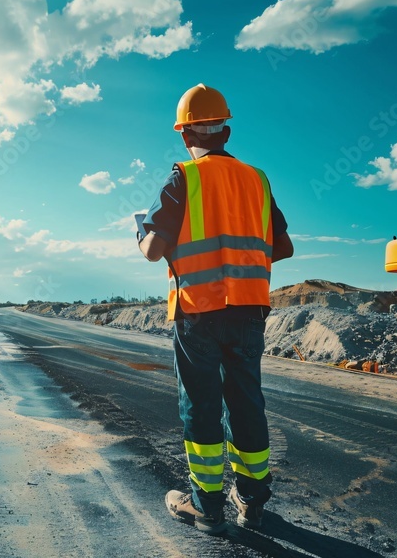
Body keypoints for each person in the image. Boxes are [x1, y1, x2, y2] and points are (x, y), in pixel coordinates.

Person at [138, 83, 293, 534]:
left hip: (198, 313)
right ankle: (251, 502)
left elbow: (152, 251)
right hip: (248, 311)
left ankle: (206, 506)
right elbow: (282, 247)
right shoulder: (258, 180)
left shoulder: (182, 177)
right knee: (247, 405)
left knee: (201, 407)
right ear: (224, 130)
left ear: (186, 134)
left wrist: (143, 235)